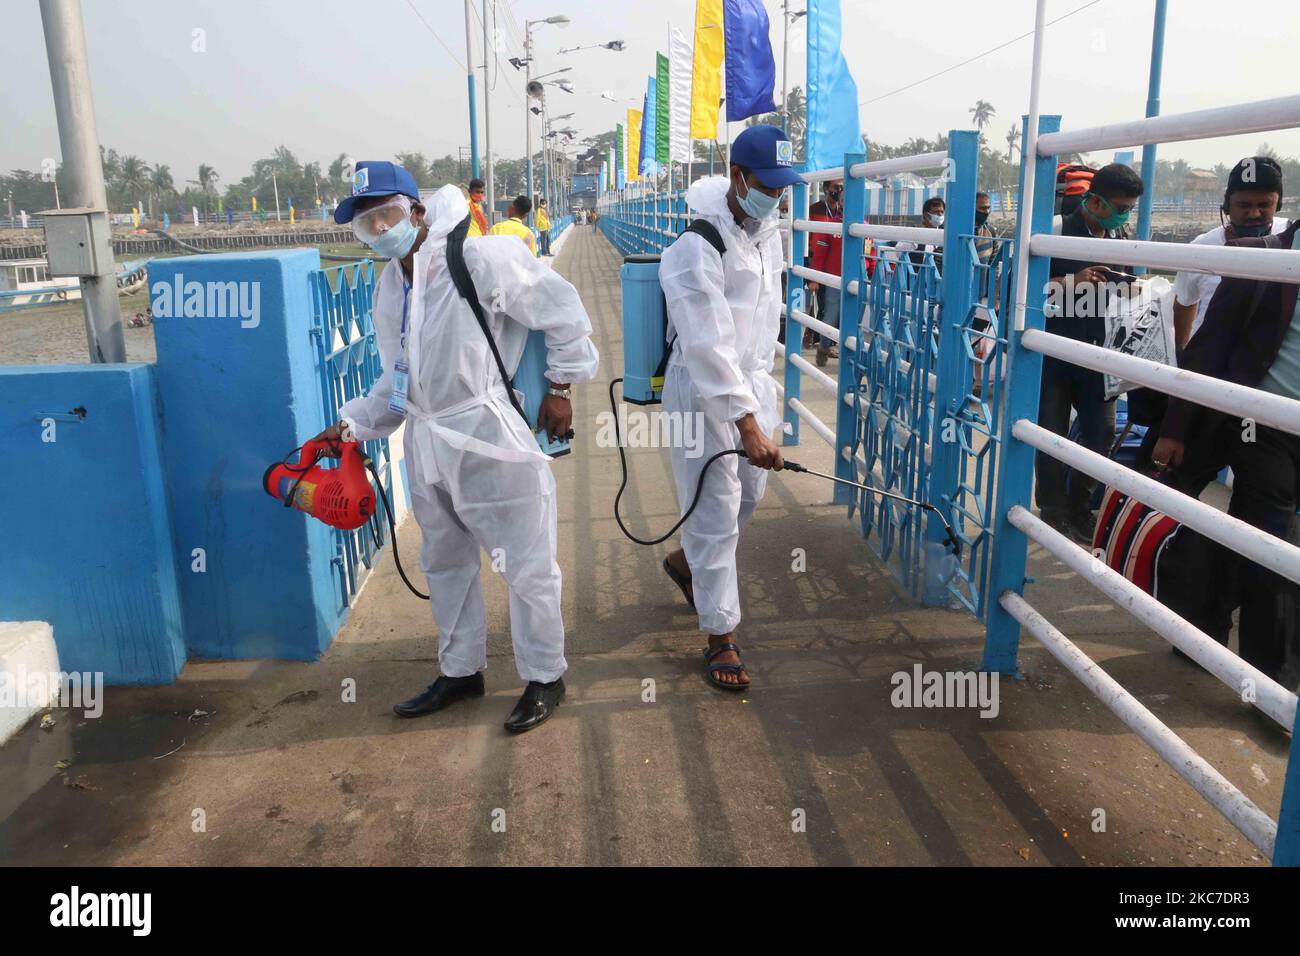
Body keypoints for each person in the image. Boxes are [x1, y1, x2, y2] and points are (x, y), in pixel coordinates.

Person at [314, 162, 599, 733]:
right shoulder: (391, 287)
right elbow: (399, 378)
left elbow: (564, 310)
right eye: (365, 224)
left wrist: (562, 387)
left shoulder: (478, 258)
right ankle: (461, 670)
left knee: (526, 562)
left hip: (490, 434)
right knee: (444, 563)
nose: (378, 230)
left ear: (416, 211)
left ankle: (545, 674)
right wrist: (349, 426)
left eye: (386, 215)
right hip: (427, 439)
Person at [657, 124, 797, 691]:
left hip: (752, 385)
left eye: (785, 187)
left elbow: (765, 324)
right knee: (716, 511)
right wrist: (745, 423)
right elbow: (706, 345)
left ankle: (686, 564)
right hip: (702, 395)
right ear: (738, 177)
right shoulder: (695, 247)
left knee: (748, 498)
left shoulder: (768, 235)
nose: (778, 196)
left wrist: (759, 409)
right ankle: (721, 636)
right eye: (769, 185)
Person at [1149, 217, 1300, 688]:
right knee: (1270, 548)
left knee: (1251, 542)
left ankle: (1204, 630)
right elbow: (1208, 348)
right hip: (1262, 424)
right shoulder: (1260, 258)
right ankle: (1271, 682)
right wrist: (1175, 428)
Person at [1036, 162, 1143, 543]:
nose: (1124, 213)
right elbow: (1013, 286)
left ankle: (1080, 508)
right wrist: (1069, 282)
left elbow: (1126, 291)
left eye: (1129, 207)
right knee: (1050, 436)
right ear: (1093, 200)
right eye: (1120, 205)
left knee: (1102, 437)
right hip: (1053, 354)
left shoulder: (1120, 236)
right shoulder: (1054, 230)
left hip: (1101, 355)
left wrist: (1132, 288)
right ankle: (1052, 511)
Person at [1172, 157, 1288, 347]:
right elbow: (1184, 303)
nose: (1254, 214)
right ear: (1227, 204)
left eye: (1264, 205)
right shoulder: (1201, 248)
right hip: (1212, 359)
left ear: (1278, 204)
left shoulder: (1292, 238)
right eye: (1244, 205)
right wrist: (1181, 353)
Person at [807, 179, 844, 367]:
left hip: (837, 269)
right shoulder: (815, 209)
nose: (839, 191)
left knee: (834, 313)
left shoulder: (843, 213)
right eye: (836, 188)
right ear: (826, 189)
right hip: (817, 262)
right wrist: (814, 276)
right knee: (827, 311)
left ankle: (826, 344)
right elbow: (813, 241)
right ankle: (818, 342)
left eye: (841, 188)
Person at [894, 196, 945, 274]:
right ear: (926, 215)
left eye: (942, 212)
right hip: (916, 280)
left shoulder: (944, 234)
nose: (940, 215)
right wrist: (916, 241)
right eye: (936, 212)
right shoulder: (915, 233)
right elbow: (899, 251)